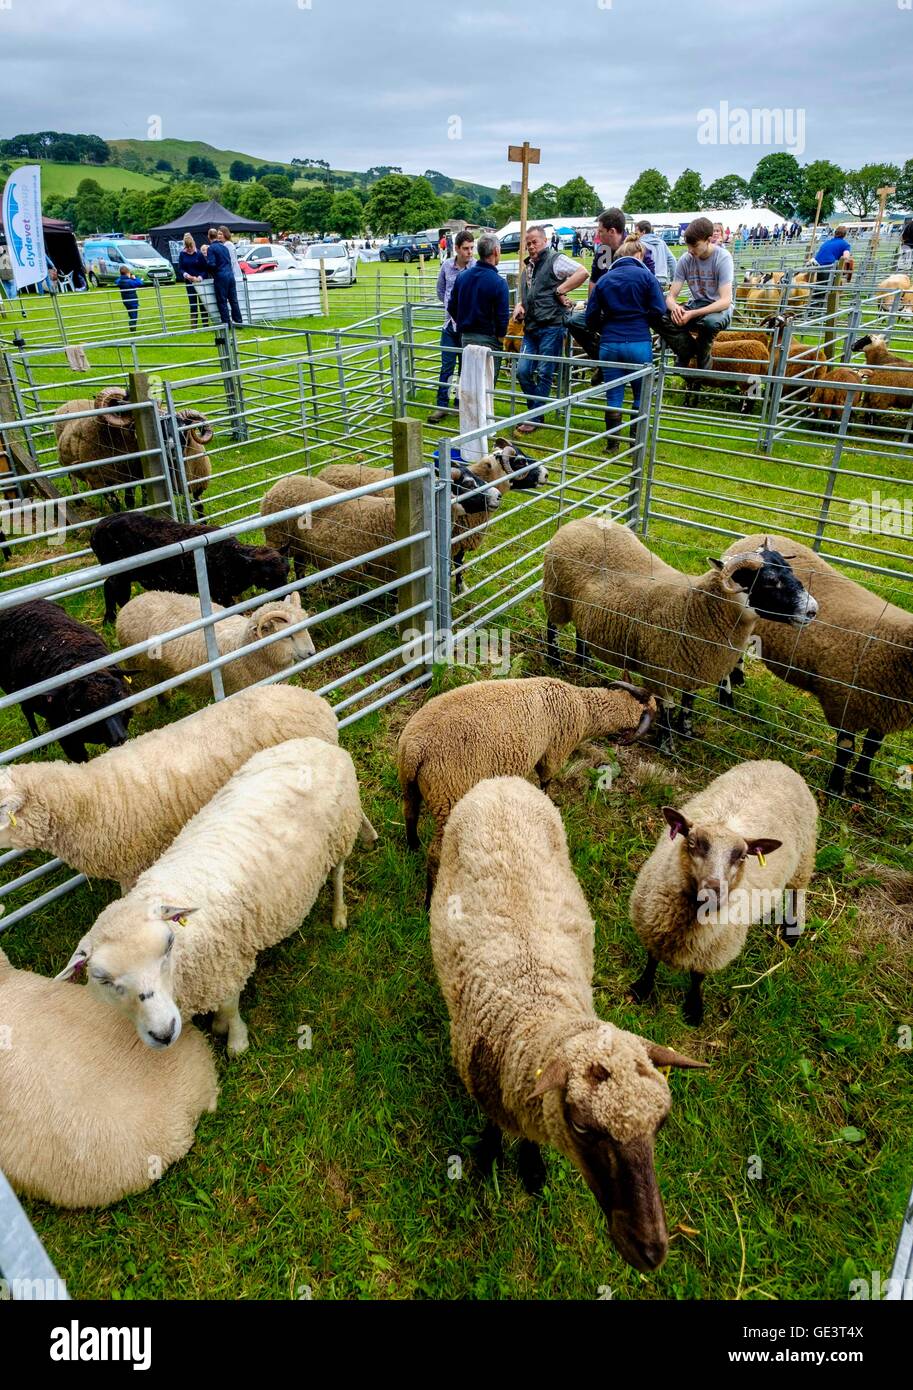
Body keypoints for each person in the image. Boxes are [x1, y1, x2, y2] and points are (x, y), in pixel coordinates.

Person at [584, 234, 666, 455]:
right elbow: (659, 310)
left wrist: (607, 326)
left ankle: (612, 445)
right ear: (638, 254)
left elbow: (590, 317)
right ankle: (635, 443)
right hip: (639, 342)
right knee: (640, 395)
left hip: (610, 343)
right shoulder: (647, 278)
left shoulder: (604, 280)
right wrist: (641, 320)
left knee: (614, 395)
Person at [514, 224, 590, 433]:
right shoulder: (527, 268)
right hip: (531, 327)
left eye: (534, 242)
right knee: (522, 371)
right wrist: (520, 306)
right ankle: (536, 414)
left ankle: (534, 418)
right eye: (528, 243)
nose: (531, 246)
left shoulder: (555, 260)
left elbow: (582, 271)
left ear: (545, 241)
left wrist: (561, 290)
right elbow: (527, 297)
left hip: (552, 325)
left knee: (546, 371)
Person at [656, 215, 734, 373]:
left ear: (708, 239)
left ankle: (703, 358)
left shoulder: (723, 258)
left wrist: (692, 314)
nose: (690, 250)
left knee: (710, 323)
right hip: (697, 304)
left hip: (718, 308)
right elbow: (671, 296)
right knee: (659, 314)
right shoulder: (686, 260)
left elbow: (725, 301)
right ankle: (685, 350)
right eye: (688, 245)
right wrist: (675, 308)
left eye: (695, 245)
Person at [446, 233, 510, 384]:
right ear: (496, 251)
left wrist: (463, 323)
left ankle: (466, 408)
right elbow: (502, 318)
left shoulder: (462, 277)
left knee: (469, 385)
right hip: (489, 340)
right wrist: (500, 338)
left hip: (467, 338)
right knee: (485, 388)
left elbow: (451, 306)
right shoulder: (499, 283)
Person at [429, 229, 474, 423]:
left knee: (466, 368)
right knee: (446, 367)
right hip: (449, 325)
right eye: (465, 248)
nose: (469, 252)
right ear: (456, 249)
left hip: (467, 326)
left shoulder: (474, 269)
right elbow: (440, 290)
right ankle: (442, 406)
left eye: (472, 248)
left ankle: (460, 405)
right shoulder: (447, 266)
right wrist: (449, 307)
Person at [202, 227, 243, 327]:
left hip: (221, 277)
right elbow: (229, 261)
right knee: (233, 300)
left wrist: (206, 267)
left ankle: (226, 323)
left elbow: (212, 264)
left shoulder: (211, 248)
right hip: (230, 275)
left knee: (222, 301)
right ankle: (238, 321)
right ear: (216, 236)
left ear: (208, 237)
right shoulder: (224, 247)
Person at [178, 233, 210, 328]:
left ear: (193, 244)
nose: (189, 249)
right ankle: (194, 326)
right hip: (189, 282)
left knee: (202, 303)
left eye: (190, 246)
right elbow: (180, 268)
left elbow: (205, 269)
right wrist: (186, 275)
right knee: (193, 303)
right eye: (187, 247)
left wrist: (199, 278)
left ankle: (205, 325)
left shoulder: (199, 254)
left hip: (200, 282)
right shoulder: (182, 254)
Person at [635, 220, 676, 285]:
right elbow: (672, 261)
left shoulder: (639, 244)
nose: (635, 235)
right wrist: (673, 280)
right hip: (662, 280)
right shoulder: (662, 243)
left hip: (647, 281)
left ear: (643, 232)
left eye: (636, 232)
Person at [115, 265, 143, 332]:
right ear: (128, 273)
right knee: (134, 315)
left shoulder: (120, 281)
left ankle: (132, 326)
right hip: (132, 301)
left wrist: (125, 277)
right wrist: (135, 278)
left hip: (125, 300)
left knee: (131, 313)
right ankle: (132, 328)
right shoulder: (130, 282)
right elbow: (139, 283)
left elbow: (116, 281)